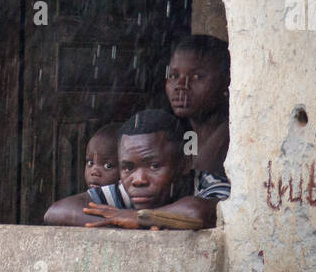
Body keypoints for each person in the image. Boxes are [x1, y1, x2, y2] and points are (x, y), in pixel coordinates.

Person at [81, 109, 228, 230]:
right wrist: (123, 219)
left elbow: (199, 212)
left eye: (154, 166)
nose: (139, 180)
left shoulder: (213, 186)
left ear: (185, 164)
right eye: (128, 168)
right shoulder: (126, 192)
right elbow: (60, 210)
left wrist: (140, 218)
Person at [164, 35, 230, 177]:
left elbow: (202, 174)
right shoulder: (186, 135)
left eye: (197, 77)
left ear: (227, 82)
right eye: (174, 76)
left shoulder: (232, 137)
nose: (181, 86)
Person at [43, 123, 121, 226]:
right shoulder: (102, 197)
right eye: (90, 163)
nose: (94, 171)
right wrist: (115, 224)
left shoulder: (124, 192)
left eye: (108, 166)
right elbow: (52, 213)